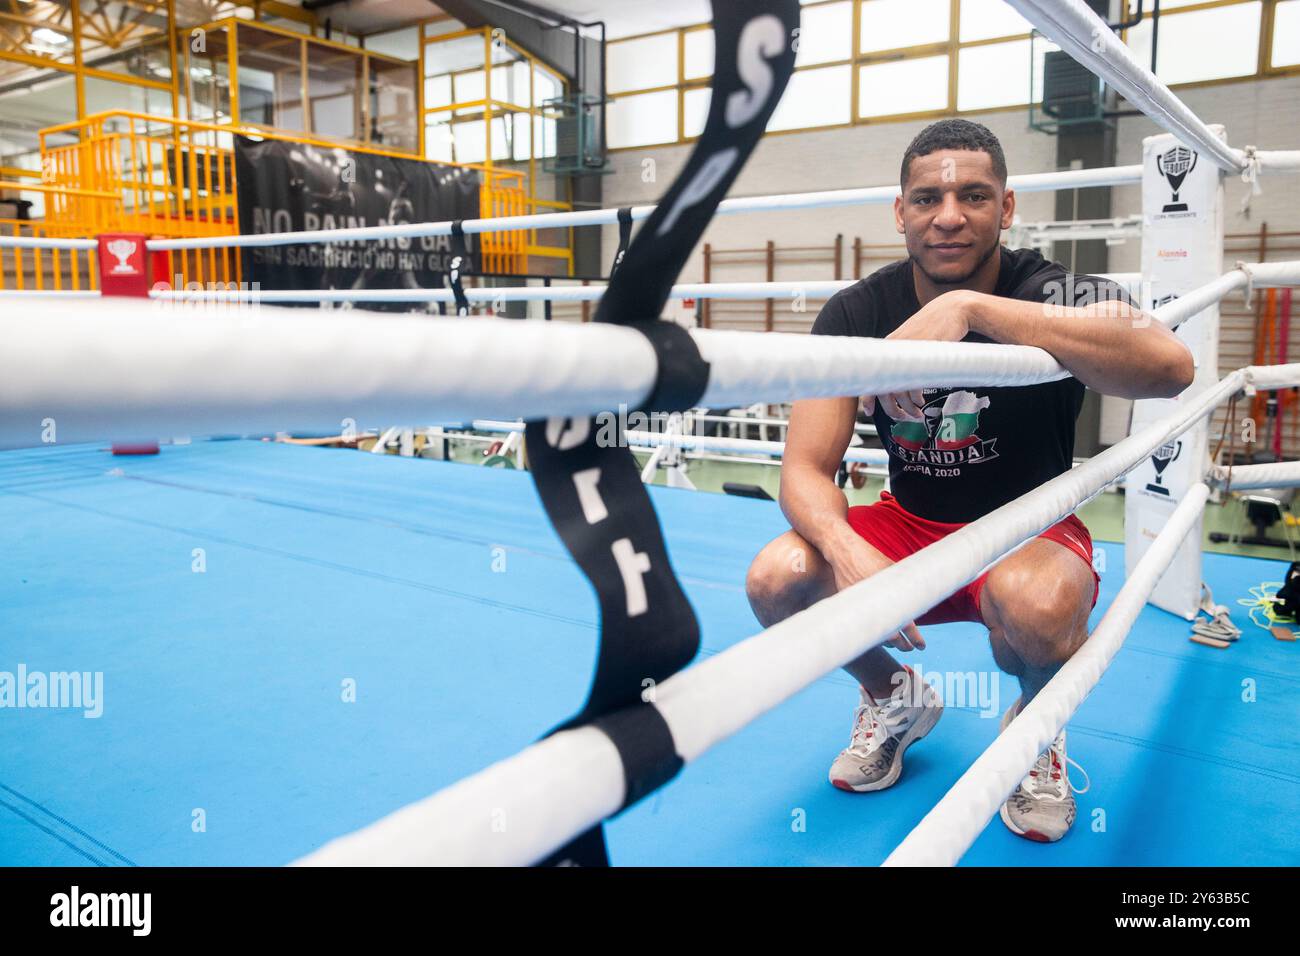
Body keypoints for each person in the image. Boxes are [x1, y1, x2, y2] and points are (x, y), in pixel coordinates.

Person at [745, 118, 1194, 843]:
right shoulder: (856, 311)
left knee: (1039, 608)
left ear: (1006, 209)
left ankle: (1035, 725)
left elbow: (1171, 368)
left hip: (1029, 532)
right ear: (901, 212)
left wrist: (971, 308)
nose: (949, 215)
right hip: (907, 527)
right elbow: (804, 468)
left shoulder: (1051, 288)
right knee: (778, 576)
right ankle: (895, 697)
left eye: (973, 196)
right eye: (927, 199)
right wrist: (848, 549)